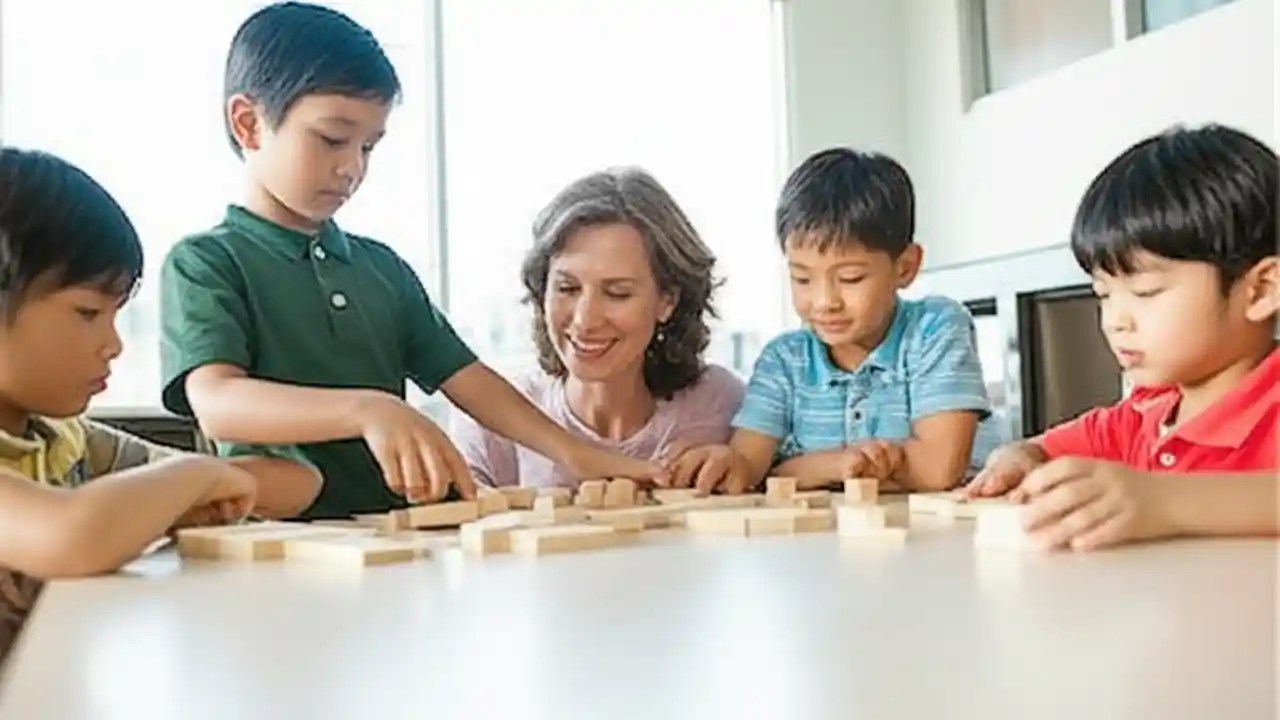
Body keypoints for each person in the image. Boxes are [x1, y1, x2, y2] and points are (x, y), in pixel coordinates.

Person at [160, 3, 657, 519]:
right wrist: (367, 409)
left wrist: (575, 452)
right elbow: (217, 405)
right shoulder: (206, 262)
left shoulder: (381, 269)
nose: (351, 167)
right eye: (332, 139)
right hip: (270, 543)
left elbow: (468, 380)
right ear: (249, 124)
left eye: (369, 146)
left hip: (394, 536)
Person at [0, 147, 316, 663]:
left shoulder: (69, 441)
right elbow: (71, 534)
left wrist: (188, 499)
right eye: (88, 312)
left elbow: (290, 486)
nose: (114, 344)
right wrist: (194, 479)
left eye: (116, 314)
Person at [965, 124, 1278, 551]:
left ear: (1260, 291)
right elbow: (1037, 448)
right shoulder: (1144, 414)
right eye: (1104, 296)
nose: (1115, 321)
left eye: (1145, 293)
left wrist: (1161, 501)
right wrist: (1018, 460)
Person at [679, 148, 1001, 493]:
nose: (825, 302)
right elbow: (749, 470)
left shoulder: (935, 330)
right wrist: (833, 464)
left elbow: (938, 472)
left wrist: (796, 470)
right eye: (802, 279)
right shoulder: (784, 361)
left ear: (905, 267)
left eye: (850, 278)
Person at [452, 168, 745, 488]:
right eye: (567, 289)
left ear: (667, 301)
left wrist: (744, 469)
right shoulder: (490, 422)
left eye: (617, 293)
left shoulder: (722, 405)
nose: (585, 320)